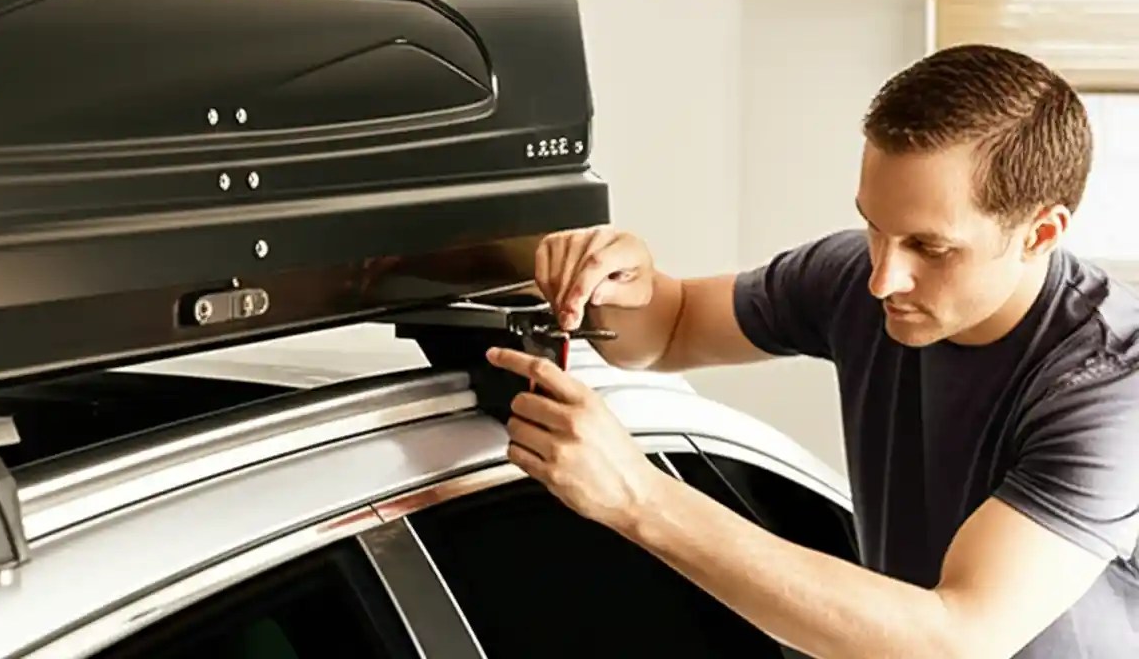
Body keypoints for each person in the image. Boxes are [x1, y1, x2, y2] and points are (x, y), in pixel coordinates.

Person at [484, 43, 1139, 658]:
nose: (884, 277)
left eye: (930, 249)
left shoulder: (1112, 387)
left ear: (1041, 233)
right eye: (873, 227)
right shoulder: (854, 277)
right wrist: (619, 283)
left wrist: (637, 498)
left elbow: (955, 637)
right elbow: (673, 326)